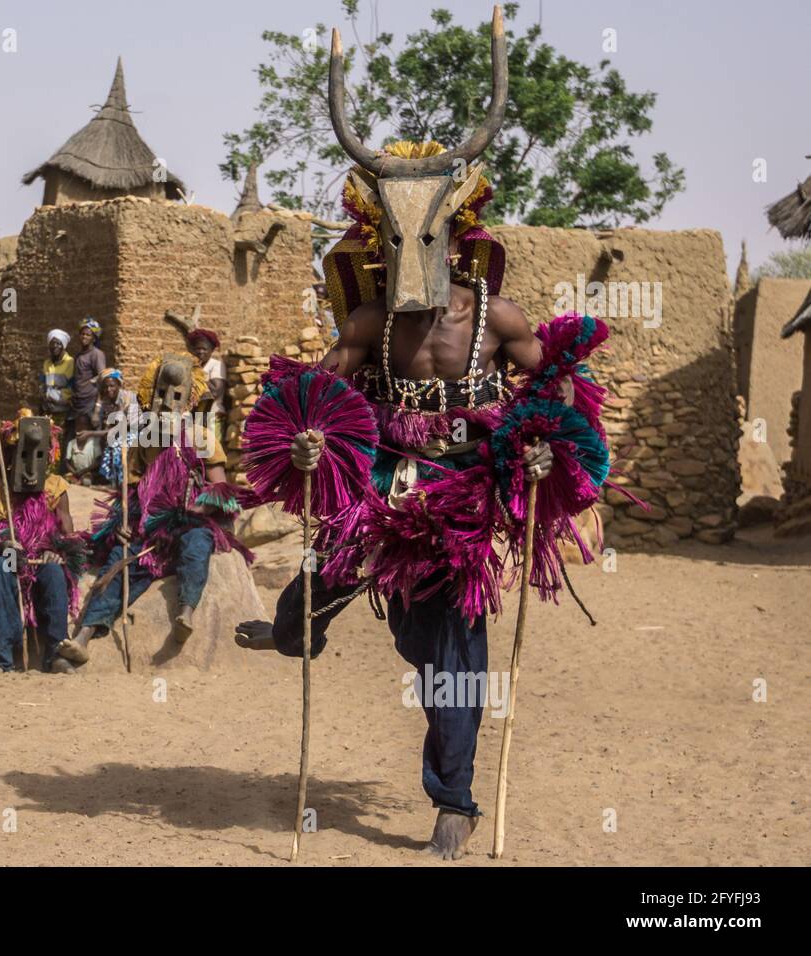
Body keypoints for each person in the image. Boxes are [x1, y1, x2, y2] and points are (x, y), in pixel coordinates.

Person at [236, 19, 616, 862]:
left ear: (455, 237)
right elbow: (311, 399)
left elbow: (554, 388)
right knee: (322, 574)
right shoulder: (370, 322)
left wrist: (544, 445)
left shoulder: (497, 319)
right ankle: (295, 632)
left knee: (450, 651)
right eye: (399, 239)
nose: (415, 256)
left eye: (430, 238)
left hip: (464, 498)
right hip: (384, 482)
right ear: (381, 239)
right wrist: (306, 446)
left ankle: (454, 798)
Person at [66, 356, 250, 667]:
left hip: (192, 523)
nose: (166, 404)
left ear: (189, 401)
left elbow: (222, 491)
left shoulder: (201, 438)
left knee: (196, 546)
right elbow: (135, 492)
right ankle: (83, 636)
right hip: (152, 529)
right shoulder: (144, 443)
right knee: (120, 562)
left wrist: (197, 508)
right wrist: (123, 524)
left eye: (175, 396)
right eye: (160, 396)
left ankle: (186, 612)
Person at [0, 411, 84, 673]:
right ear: (11, 457)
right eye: (24, 456)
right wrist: (1, 545)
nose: (32, 467)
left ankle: (56, 654)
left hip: (41, 558)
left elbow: (70, 538)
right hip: (9, 557)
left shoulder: (55, 487)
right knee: (1, 567)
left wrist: (57, 552)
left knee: (54, 571)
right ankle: (0, 657)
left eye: (39, 457)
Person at [66, 368, 137, 483]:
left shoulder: (128, 398)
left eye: (112, 386)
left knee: (117, 446)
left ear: (119, 385)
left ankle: (122, 482)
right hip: (118, 435)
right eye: (105, 386)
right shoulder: (109, 402)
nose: (108, 389)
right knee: (107, 443)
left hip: (135, 434)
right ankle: (114, 482)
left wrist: (90, 433)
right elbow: (109, 429)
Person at [69, 318, 107, 453]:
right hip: (79, 402)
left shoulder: (96, 354)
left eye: (88, 334)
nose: (84, 336)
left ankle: (92, 471)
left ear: (94, 338)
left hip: (91, 402)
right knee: (78, 437)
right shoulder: (79, 355)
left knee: (92, 440)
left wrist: (97, 410)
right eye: (82, 334)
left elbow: (103, 379)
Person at [186, 328, 227, 443]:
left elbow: (215, 391)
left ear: (212, 350)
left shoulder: (216, 365)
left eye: (204, 349)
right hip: (193, 417)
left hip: (211, 417)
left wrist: (194, 380)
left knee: (210, 454)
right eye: (197, 349)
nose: (200, 352)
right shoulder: (192, 366)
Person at [40, 329, 74, 434]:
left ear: (63, 345)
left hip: (63, 410)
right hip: (48, 410)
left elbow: (72, 388)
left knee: (59, 439)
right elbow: (44, 384)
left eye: (58, 343)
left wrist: (53, 396)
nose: (55, 346)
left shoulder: (70, 362)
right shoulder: (47, 363)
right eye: (52, 343)